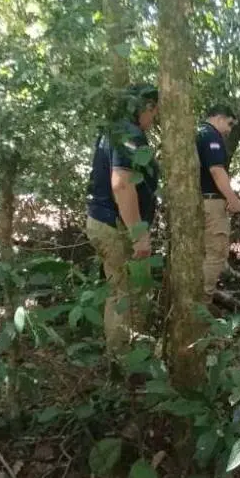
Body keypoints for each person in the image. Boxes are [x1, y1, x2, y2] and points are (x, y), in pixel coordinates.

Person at [85, 84, 160, 353]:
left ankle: (119, 362)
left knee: (118, 292)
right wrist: (138, 233)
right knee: (130, 295)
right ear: (145, 107)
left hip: (102, 220)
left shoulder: (112, 129)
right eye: (154, 111)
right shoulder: (129, 133)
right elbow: (122, 184)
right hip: (115, 225)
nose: (154, 118)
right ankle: (128, 367)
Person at [196, 104, 240, 302]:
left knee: (202, 253)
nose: (229, 130)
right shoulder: (210, 135)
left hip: (198, 201)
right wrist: (232, 199)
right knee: (216, 253)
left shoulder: (197, 132)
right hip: (210, 203)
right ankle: (201, 303)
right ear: (219, 117)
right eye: (229, 124)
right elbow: (216, 170)